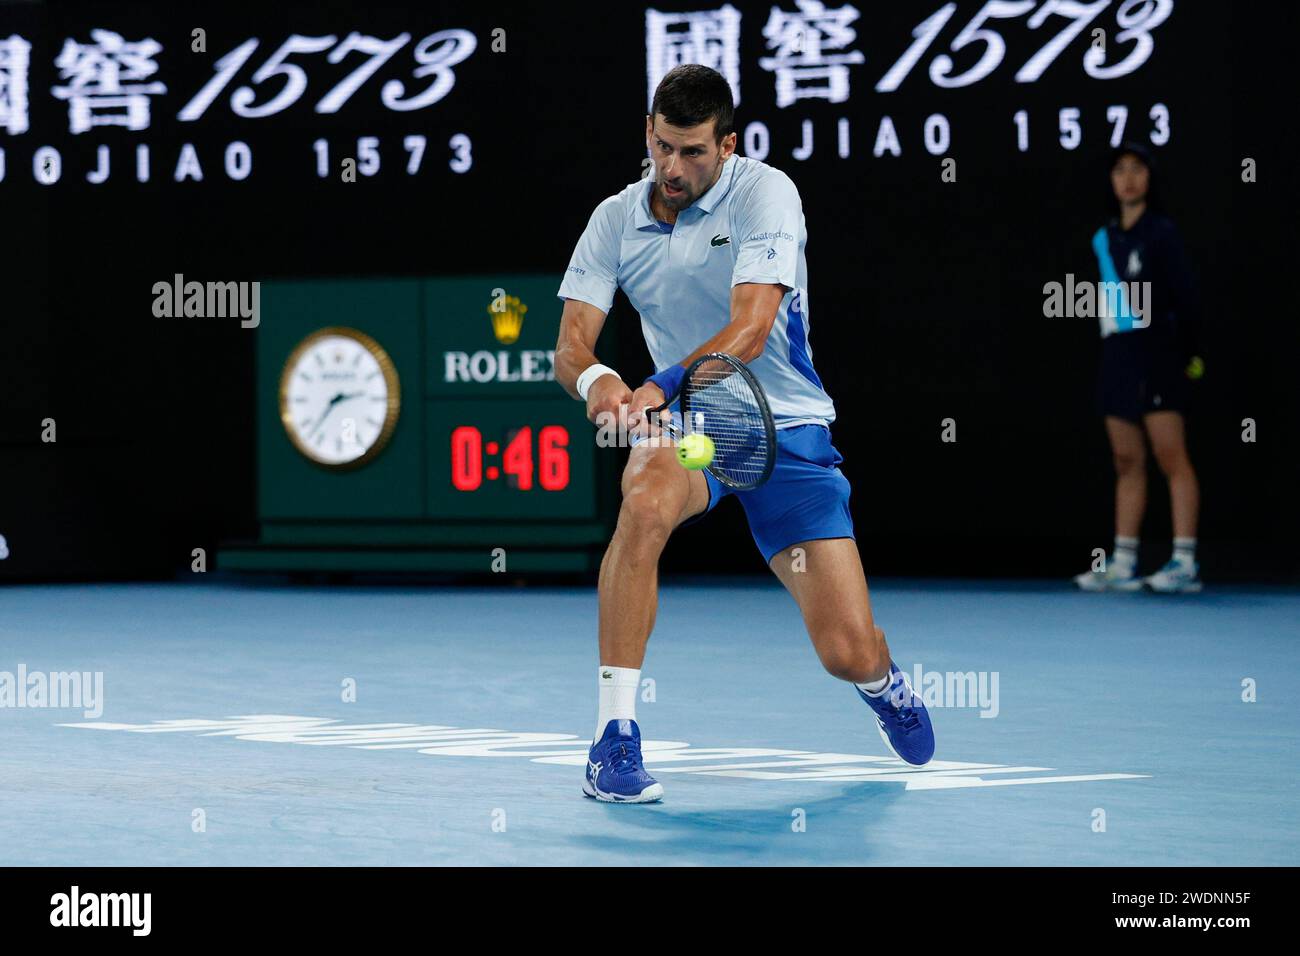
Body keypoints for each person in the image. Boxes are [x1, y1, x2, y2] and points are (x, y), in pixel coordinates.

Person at [554, 64, 934, 803]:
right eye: (664, 146)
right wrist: (603, 387)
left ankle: (882, 685)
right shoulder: (614, 219)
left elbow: (752, 329)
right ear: (648, 133)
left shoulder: (768, 194)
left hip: (783, 425)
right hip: (696, 432)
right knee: (646, 498)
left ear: (728, 145)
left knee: (847, 651)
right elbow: (571, 346)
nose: (673, 167)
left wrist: (660, 383)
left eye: (694, 152)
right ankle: (614, 738)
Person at [1074, 143, 1205, 593]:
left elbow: (1186, 297)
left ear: (1150, 178)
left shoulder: (1161, 233)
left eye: (1137, 169)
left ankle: (1184, 562)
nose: (1128, 178)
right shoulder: (1103, 237)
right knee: (1126, 458)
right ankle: (1123, 562)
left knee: (1172, 456)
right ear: (1111, 181)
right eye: (1120, 170)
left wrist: (1189, 356)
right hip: (1118, 354)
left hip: (1160, 352)